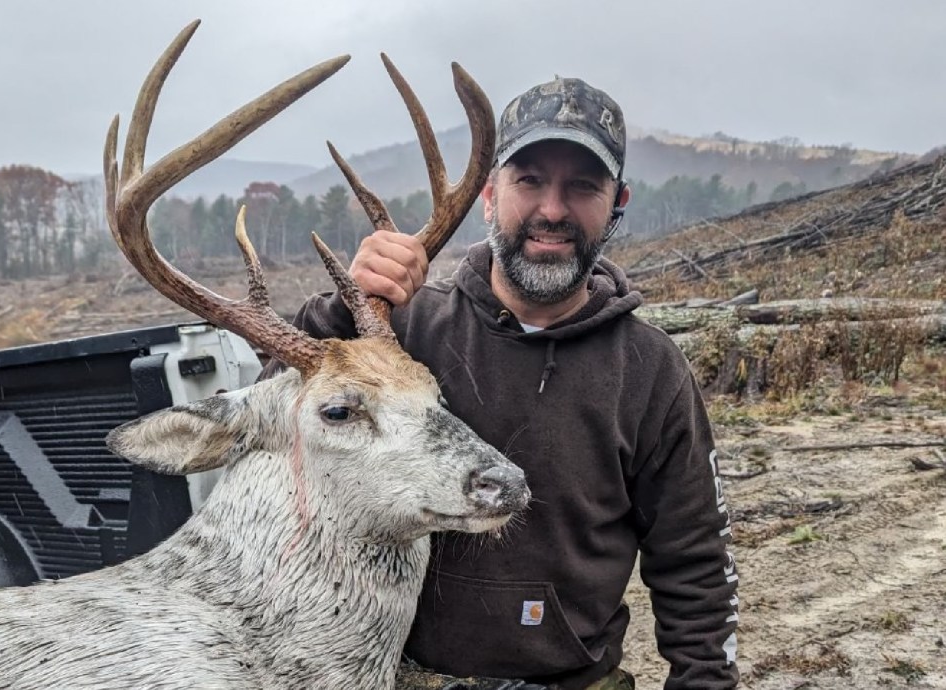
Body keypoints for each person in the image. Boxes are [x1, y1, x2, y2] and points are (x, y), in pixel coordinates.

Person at [273, 77, 739, 689]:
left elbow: (696, 566)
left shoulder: (650, 372)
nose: (552, 210)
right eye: (529, 181)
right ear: (490, 195)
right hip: (397, 677)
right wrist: (347, 307)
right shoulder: (400, 334)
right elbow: (275, 410)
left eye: (582, 186)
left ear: (617, 201)